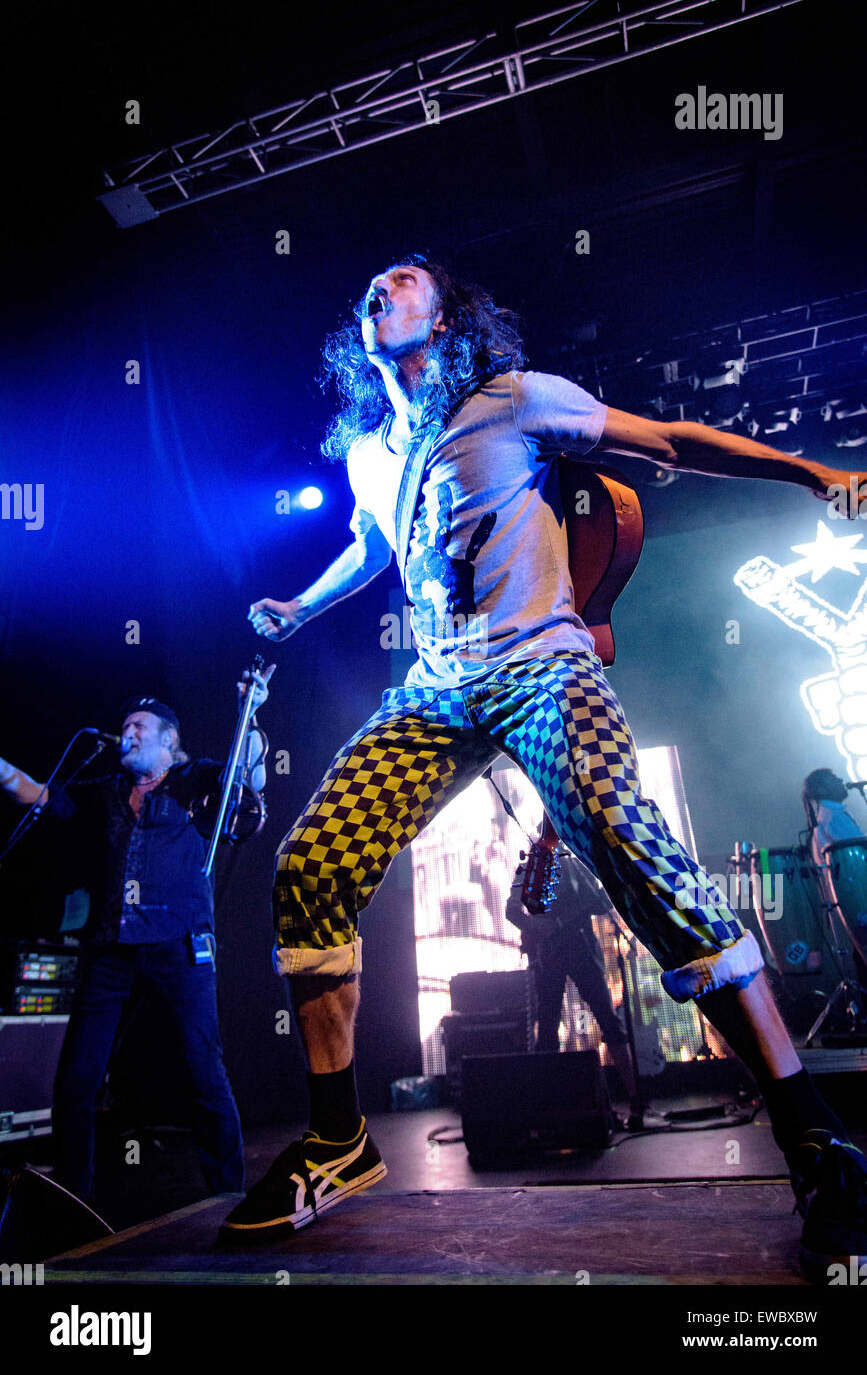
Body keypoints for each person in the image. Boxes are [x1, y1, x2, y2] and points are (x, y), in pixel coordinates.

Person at [225, 254, 867, 1281]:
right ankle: (338, 1142)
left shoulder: (514, 400)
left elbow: (666, 439)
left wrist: (810, 471)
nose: (378, 293)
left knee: (625, 841)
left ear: (446, 313)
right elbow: (372, 548)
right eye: (370, 289)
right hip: (439, 687)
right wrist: (301, 607)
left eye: (401, 281)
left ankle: (817, 1140)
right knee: (308, 869)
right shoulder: (370, 453)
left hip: (542, 668)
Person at [0, 675, 271, 1207]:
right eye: (124, 726)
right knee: (77, 1079)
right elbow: (31, 792)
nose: (127, 733)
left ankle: (231, 1196)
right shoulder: (103, 791)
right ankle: (72, 1203)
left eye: (139, 726)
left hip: (181, 943)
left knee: (202, 1067)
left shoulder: (196, 779)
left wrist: (251, 713)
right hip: (111, 950)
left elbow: (250, 777)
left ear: (168, 740)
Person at [505, 848, 637, 1103]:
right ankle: (550, 1104)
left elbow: (600, 904)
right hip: (548, 955)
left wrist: (611, 882)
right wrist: (535, 927)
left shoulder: (578, 866)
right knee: (547, 1028)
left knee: (607, 1020)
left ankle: (635, 1100)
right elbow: (511, 910)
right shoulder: (527, 868)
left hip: (582, 950)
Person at [803, 767, 867, 993]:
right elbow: (858, 851)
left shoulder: (831, 816)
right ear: (821, 789)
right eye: (833, 779)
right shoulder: (832, 818)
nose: (841, 780)